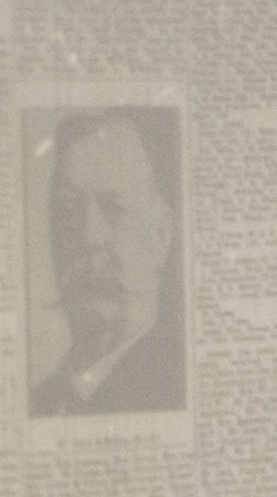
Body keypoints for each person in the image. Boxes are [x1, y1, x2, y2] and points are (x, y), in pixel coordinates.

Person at [35, 108, 187, 416]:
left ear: (162, 235)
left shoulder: (175, 390)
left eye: (113, 208)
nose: (89, 236)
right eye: (68, 209)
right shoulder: (39, 403)